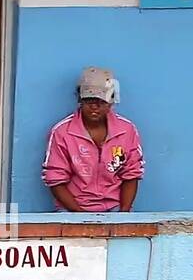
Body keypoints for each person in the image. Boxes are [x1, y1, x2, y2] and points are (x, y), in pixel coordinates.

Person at [41, 67, 144, 212]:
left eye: (101, 102)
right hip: (73, 209)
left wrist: (124, 213)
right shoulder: (62, 132)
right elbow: (55, 179)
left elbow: (132, 174)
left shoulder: (127, 130)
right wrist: (81, 217)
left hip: (115, 208)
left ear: (111, 102)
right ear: (80, 100)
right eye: (89, 101)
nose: (94, 107)